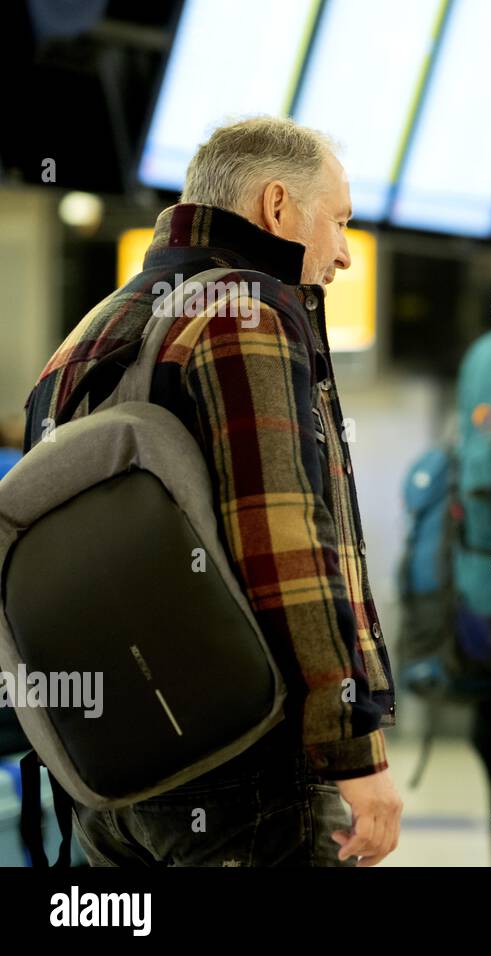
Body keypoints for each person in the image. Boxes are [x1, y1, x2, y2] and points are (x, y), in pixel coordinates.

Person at [23, 116, 401, 866]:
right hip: (242, 769)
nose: (346, 255)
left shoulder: (92, 331)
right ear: (276, 207)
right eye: (340, 221)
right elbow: (286, 541)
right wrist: (354, 748)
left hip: (108, 770)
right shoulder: (244, 313)